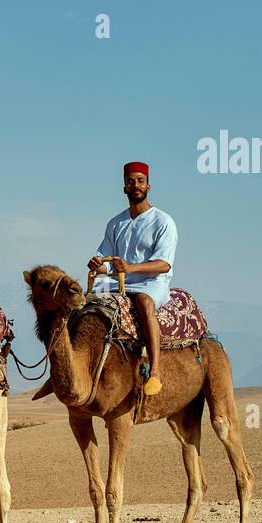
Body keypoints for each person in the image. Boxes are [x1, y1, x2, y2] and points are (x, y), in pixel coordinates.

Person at [88, 160, 178, 396]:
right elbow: (104, 262)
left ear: (149, 186)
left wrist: (130, 267)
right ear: (124, 188)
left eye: (140, 181)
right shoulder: (115, 223)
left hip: (152, 282)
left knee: (144, 303)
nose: (135, 185)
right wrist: (97, 264)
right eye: (131, 181)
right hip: (119, 281)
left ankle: (155, 370)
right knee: (82, 300)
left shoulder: (163, 221)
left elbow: (164, 263)